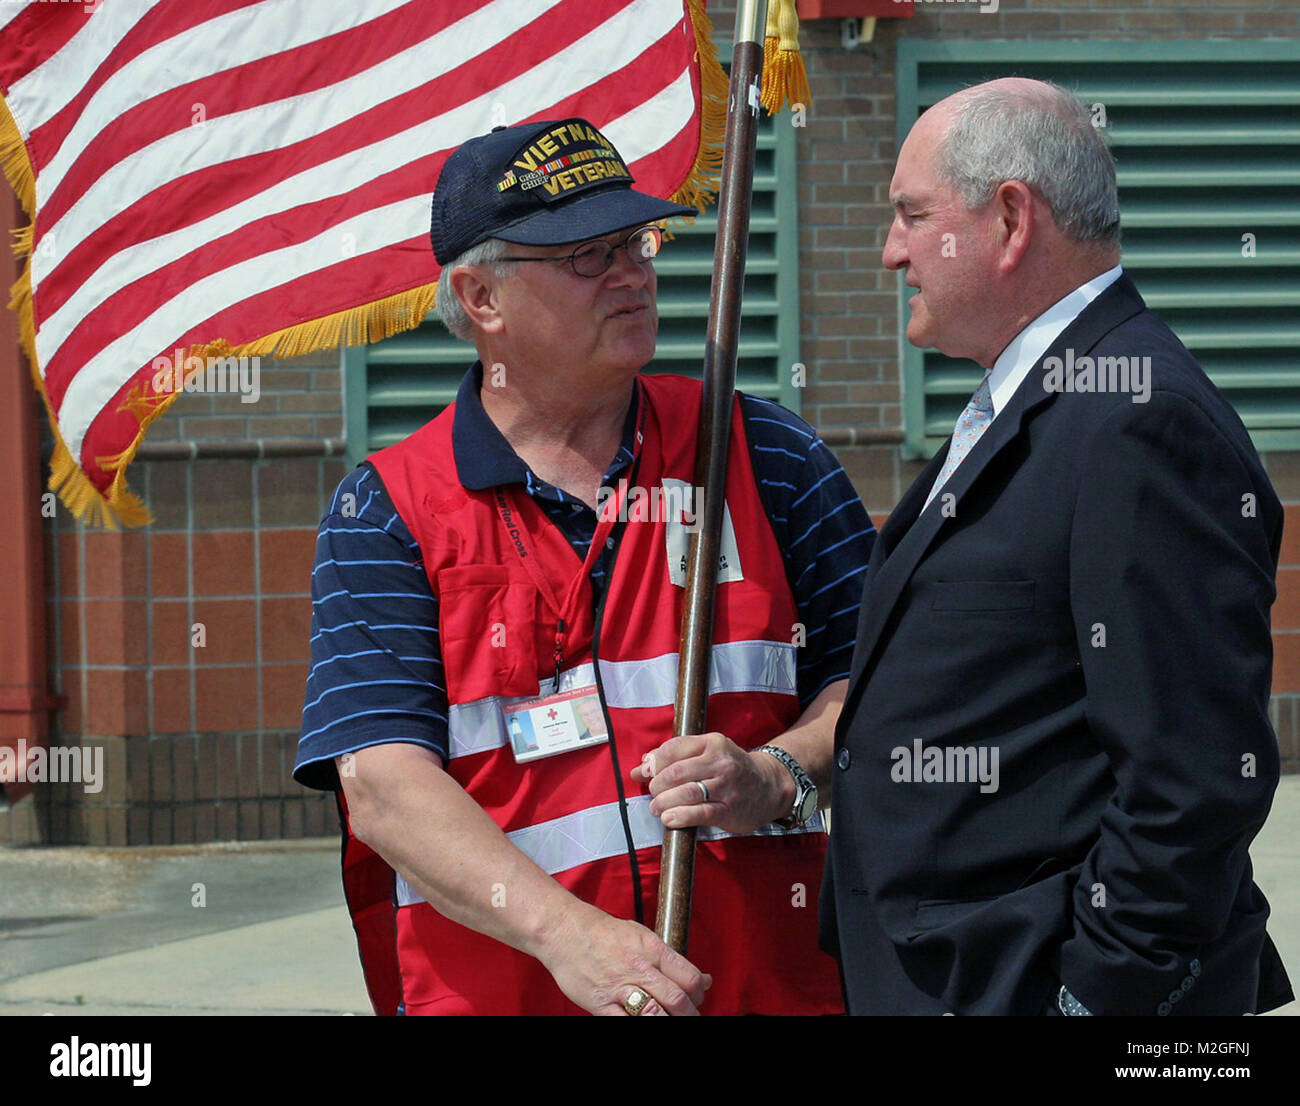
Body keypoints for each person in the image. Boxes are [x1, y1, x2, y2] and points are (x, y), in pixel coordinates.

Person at [294, 117, 874, 1015]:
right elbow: (382, 785)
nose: (635, 273)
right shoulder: (388, 509)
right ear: (479, 297)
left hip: (767, 990)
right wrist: (574, 942)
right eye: (585, 256)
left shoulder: (763, 451)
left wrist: (777, 774)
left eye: (635, 243)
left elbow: (883, 682)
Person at [821, 78, 1295, 1016]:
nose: (891, 253)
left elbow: (1192, 778)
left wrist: (1098, 997)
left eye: (912, 216)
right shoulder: (1046, 397)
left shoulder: (1139, 419)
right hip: (958, 969)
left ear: (1007, 219)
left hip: (1034, 982)